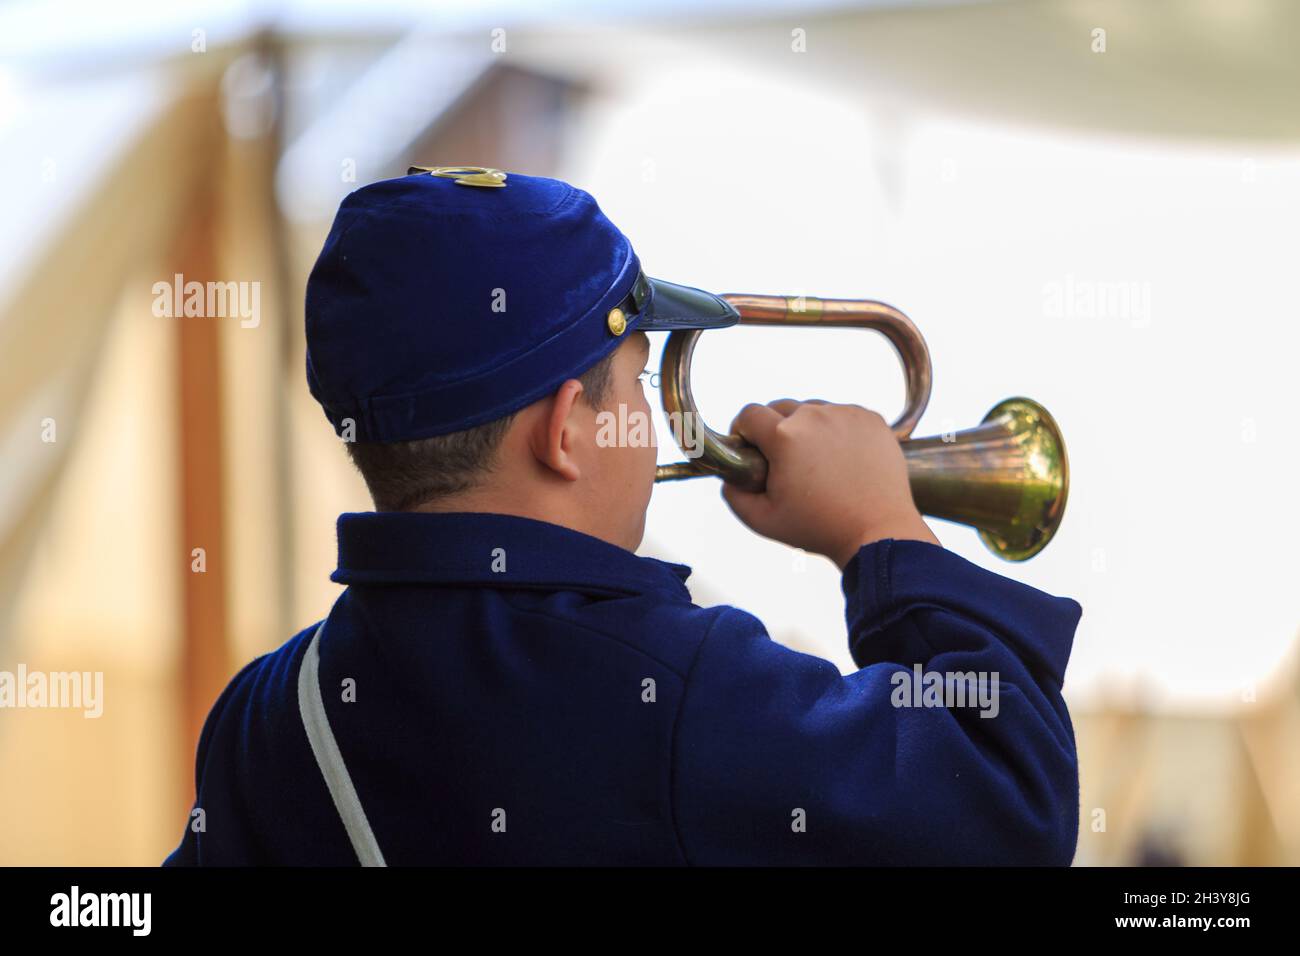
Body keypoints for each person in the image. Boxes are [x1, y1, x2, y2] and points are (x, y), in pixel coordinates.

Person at [164, 166, 1082, 866]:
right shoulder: (687, 690)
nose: (660, 417)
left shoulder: (270, 712)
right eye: (639, 383)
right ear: (567, 432)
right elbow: (1011, 796)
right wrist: (882, 532)